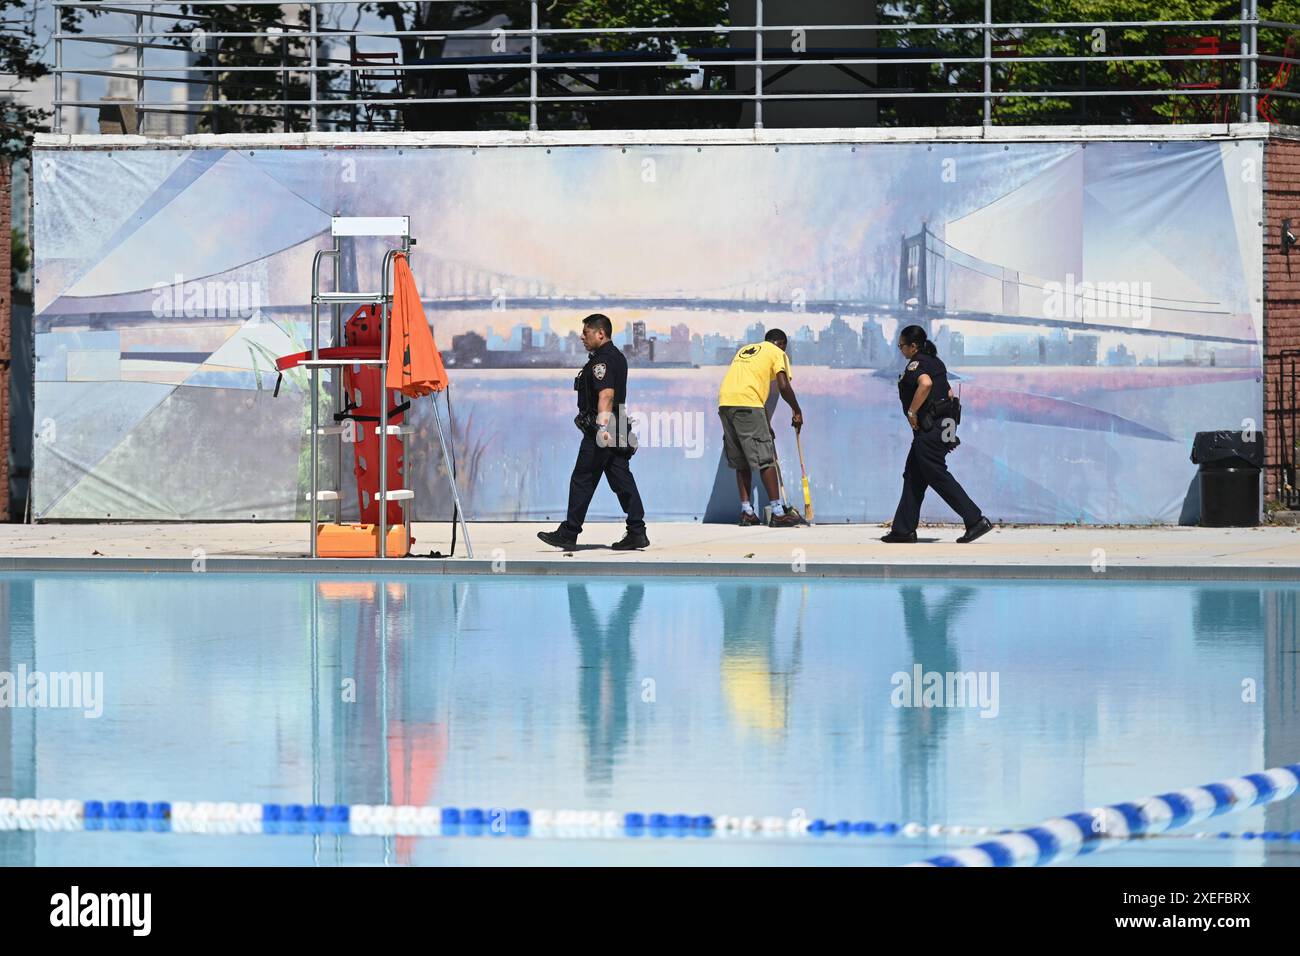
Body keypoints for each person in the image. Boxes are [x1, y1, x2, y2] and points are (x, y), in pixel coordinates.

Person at [538, 314, 649, 551]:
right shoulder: (616, 356)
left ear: (601, 333)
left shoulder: (603, 361)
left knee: (583, 478)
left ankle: (569, 533)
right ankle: (637, 531)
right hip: (617, 424)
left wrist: (601, 427)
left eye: (586, 332)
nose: (582, 337)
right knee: (620, 477)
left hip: (604, 427)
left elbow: (606, 394)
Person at [882, 325, 993, 544]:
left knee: (937, 475)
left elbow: (926, 383)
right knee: (913, 475)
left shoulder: (917, 365)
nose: (901, 350)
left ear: (913, 346)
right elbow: (949, 393)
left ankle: (975, 519)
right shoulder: (936, 362)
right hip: (944, 425)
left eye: (902, 346)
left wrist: (913, 412)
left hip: (930, 430)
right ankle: (903, 530)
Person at [717, 328, 804, 527]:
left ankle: (747, 511)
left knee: (741, 461)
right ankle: (778, 513)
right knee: (766, 458)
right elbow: (782, 386)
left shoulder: (746, 350)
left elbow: (749, 385)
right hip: (748, 405)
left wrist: (764, 421)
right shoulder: (777, 352)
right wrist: (797, 411)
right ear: (781, 344)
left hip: (725, 403)